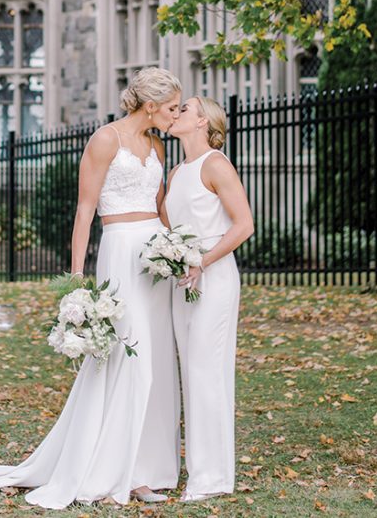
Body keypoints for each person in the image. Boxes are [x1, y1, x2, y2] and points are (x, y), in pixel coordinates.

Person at [0, 67, 183, 509]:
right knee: (129, 358)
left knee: (157, 361)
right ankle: (114, 467)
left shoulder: (156, 144)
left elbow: (161, 205)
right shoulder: (105, 140)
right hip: (120, 250)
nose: (175, 115)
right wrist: (78, 277)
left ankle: (147, 470)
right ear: (150, 105)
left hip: (154, 257)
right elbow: (85, 210)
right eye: (172, 108)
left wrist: (177, 250)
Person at [163, 96, 254, 502]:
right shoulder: (177, 170)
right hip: (181, 280)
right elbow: (169, 226)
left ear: (203, 122)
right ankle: (198, 470)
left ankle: (213, 477)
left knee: (207, 372)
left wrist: (203, 260)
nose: (176, 112)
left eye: (185, 108)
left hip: (214, 279)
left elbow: (244, 224)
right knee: (190, 373)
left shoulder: (216, 163)